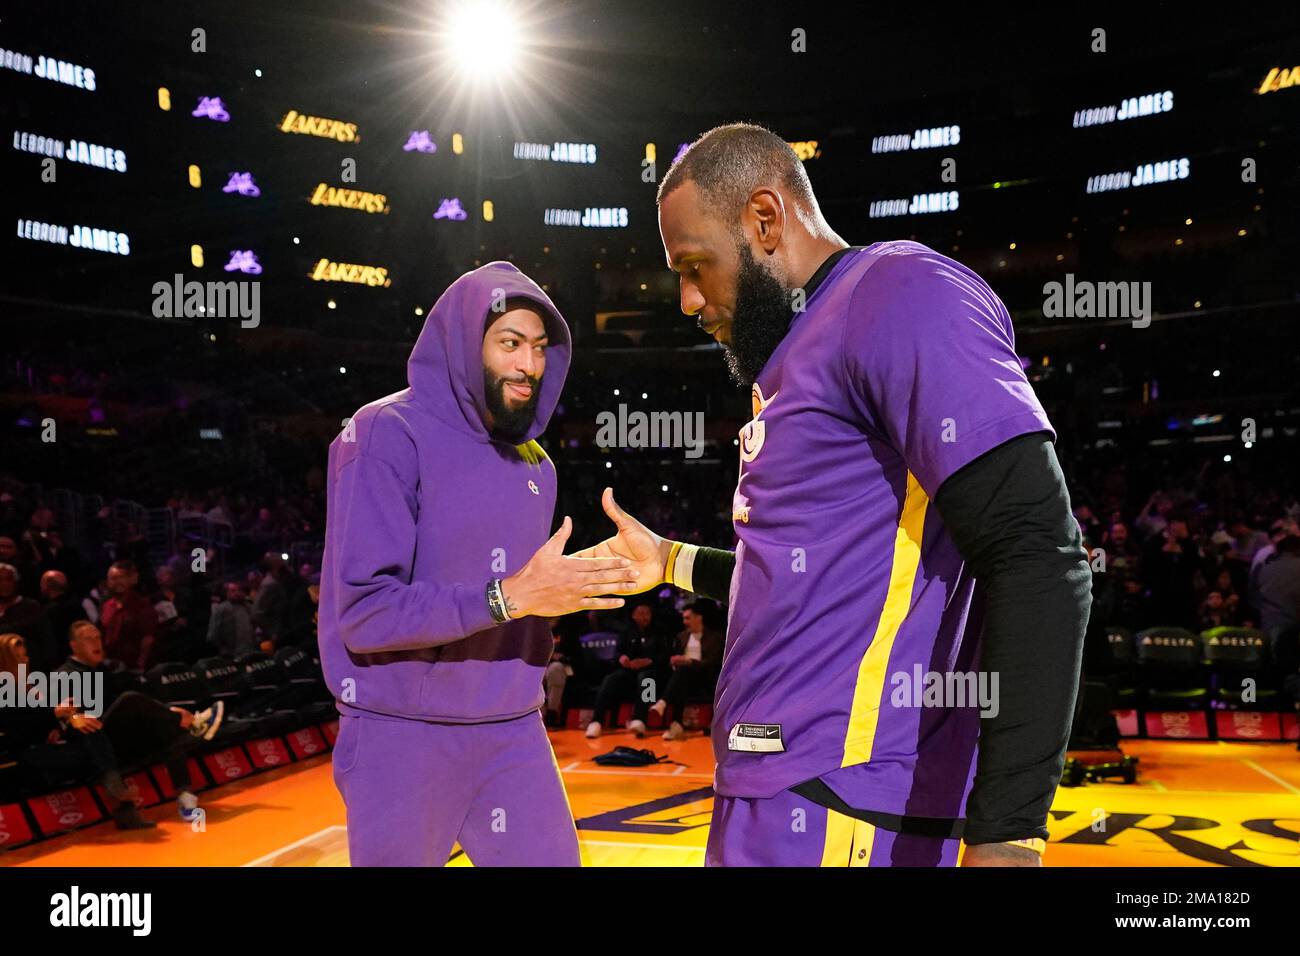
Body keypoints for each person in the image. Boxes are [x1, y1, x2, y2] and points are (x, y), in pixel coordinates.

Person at [579, 123, 1091, 867]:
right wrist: (672, 561)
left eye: (695, 266)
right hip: (769, 789)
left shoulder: (899, 294)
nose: (687, 299)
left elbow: (1038, 554)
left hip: (851, 805)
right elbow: (803, 578)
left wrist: (1009, 835)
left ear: (764, 219)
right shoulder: (788, 357)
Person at [319, 262, 639, 867]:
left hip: (513, 730)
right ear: (466, 345)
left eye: (540, 349)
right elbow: (364, 612)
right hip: (402, 735)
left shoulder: (536, 467)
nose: (529, 366)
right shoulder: (383, 433)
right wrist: (511, 596)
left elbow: (519, 595)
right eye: (510, 344)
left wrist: (571, 584)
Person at [55, 621, 222, 821]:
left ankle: (185, 795)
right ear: (74, 646)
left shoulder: (106, 670)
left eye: (98, 637)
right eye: (88, 639)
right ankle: (193, 722)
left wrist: (168, 711)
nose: (96, 642)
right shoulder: (64, 675)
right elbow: (67, 718)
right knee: (130, 699)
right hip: (98, 742)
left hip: (123, 737)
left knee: (162, 725)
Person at [0, 633, 155, 829]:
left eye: (25, 655)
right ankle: (121, 802)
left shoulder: (30, 686)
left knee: (91, 730)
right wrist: (55, 714)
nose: (26, 660)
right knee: (99, 749)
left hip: (52, 745)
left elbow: (45, 716)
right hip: (28, 754)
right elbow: (15, 726)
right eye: (19, 657)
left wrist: (61, 722)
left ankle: (119, 795)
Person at [584, 602, 669, 738]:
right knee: (611, 679)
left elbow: (665, 657)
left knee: (646, 679)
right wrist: (622, 658)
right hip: (629, 673)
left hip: (653, 677)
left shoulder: (660, 632)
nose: (644, 617)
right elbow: (618, 653)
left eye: (647, 614)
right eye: (640, 614)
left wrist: (648, 661)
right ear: (633, 615)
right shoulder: (626, 632)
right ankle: (596, 721)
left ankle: (640, 720)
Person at [651, 600, 724, 740]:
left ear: (699, 618)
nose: (684, 622)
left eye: (687, 618)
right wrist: (674, 662)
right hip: (684, 677)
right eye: (683, 619)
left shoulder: (714, 638)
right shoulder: (681, 637)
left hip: (706, 677)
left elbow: (713, 663)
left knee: (683, 672)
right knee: (680, 675)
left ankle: (663, 704)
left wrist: (690, 661)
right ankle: (675, 725)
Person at [99, 560, 159, 670]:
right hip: (109, 665)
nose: (117, 582)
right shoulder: (106, 606)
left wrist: (140, 666)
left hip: (133, 667)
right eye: (113, 578)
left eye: (121, 577)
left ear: (132, 579)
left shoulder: (142, 606)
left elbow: (148, 639)